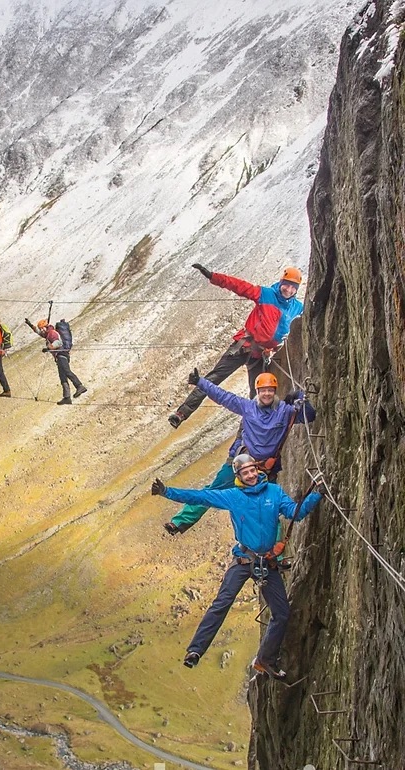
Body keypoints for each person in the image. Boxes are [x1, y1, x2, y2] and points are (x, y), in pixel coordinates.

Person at [151, 455, 324, 679]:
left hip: (266, 562)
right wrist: (167, 492)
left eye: (252, 471)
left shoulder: (274, 491)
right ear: (239, 476)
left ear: (257, 470)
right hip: (244, 559)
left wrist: (317, 494)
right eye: (246, 473)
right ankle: (195, 650)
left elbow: (295, 512)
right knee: (222, 603)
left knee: (281, 613)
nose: (251, 475)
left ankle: (265, 660)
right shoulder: (233, 496)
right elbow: (200, 497)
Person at [166, 371, 316, 535]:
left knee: (270, 508)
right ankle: (180, 522)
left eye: (270, 390)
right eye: (263, 390)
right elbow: (223, 396)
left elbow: (310, 416)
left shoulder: (285, 411)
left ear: (275, 391)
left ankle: (273, 555)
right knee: (213, 491)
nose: (266, 394)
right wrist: (200, 382)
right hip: (240, 462)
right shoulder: (248, 407)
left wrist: (299, 396)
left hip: (264, 469)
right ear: (257, 392)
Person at [168, 265, 304, 428]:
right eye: (286, 284)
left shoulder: (298, 308)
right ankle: (181, 413)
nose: (288, 290)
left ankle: (246, 436)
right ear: (280, 282)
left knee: (260, 395)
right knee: (214, 378)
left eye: (292, 287)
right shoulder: (266, 294)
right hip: (243, 346)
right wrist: (213, 276)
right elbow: (239, 286)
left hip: (261, 355)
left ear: (296, 290)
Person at [25, 318, 87, 405]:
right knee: (62, 377)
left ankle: (79, 386)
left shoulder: (52, 333)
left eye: (42, 328)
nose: (41, 329)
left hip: (62, 354)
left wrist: (49, 348)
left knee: (66, 371)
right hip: (59, 356)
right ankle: (67, 397)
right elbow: (38, 332)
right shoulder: (47, 334)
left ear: (45, 327)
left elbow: (58, 342)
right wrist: (30, 324)